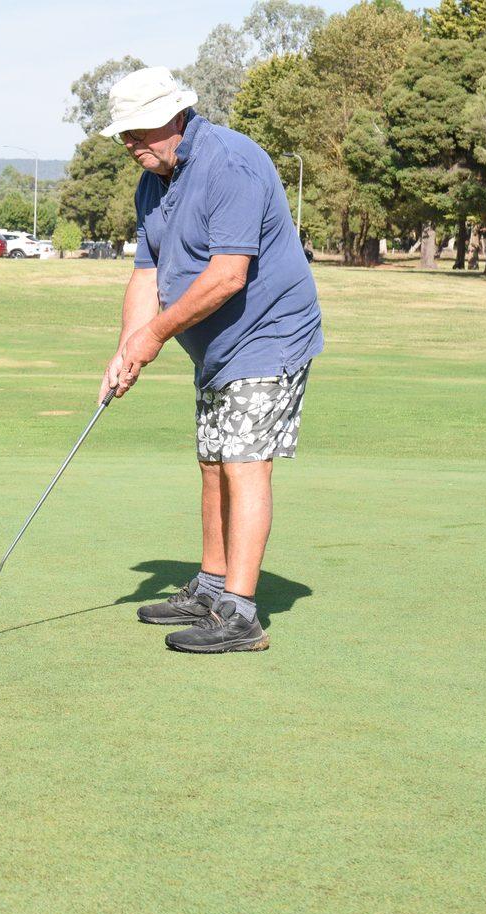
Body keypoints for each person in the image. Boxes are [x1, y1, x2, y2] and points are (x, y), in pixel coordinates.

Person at [97, 67, 324, 654]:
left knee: (245, 462)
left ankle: (241, 615)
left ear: (175, 116)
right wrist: (128, 348)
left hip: (269, 333)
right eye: (125, 134)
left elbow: (226, 277)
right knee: (212, 461)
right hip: (217, 345)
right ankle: (211, 584)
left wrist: (152, 339)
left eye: (139, 130)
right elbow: (147, 272)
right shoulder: (154, 180)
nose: (131, 143)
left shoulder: (230, 162)